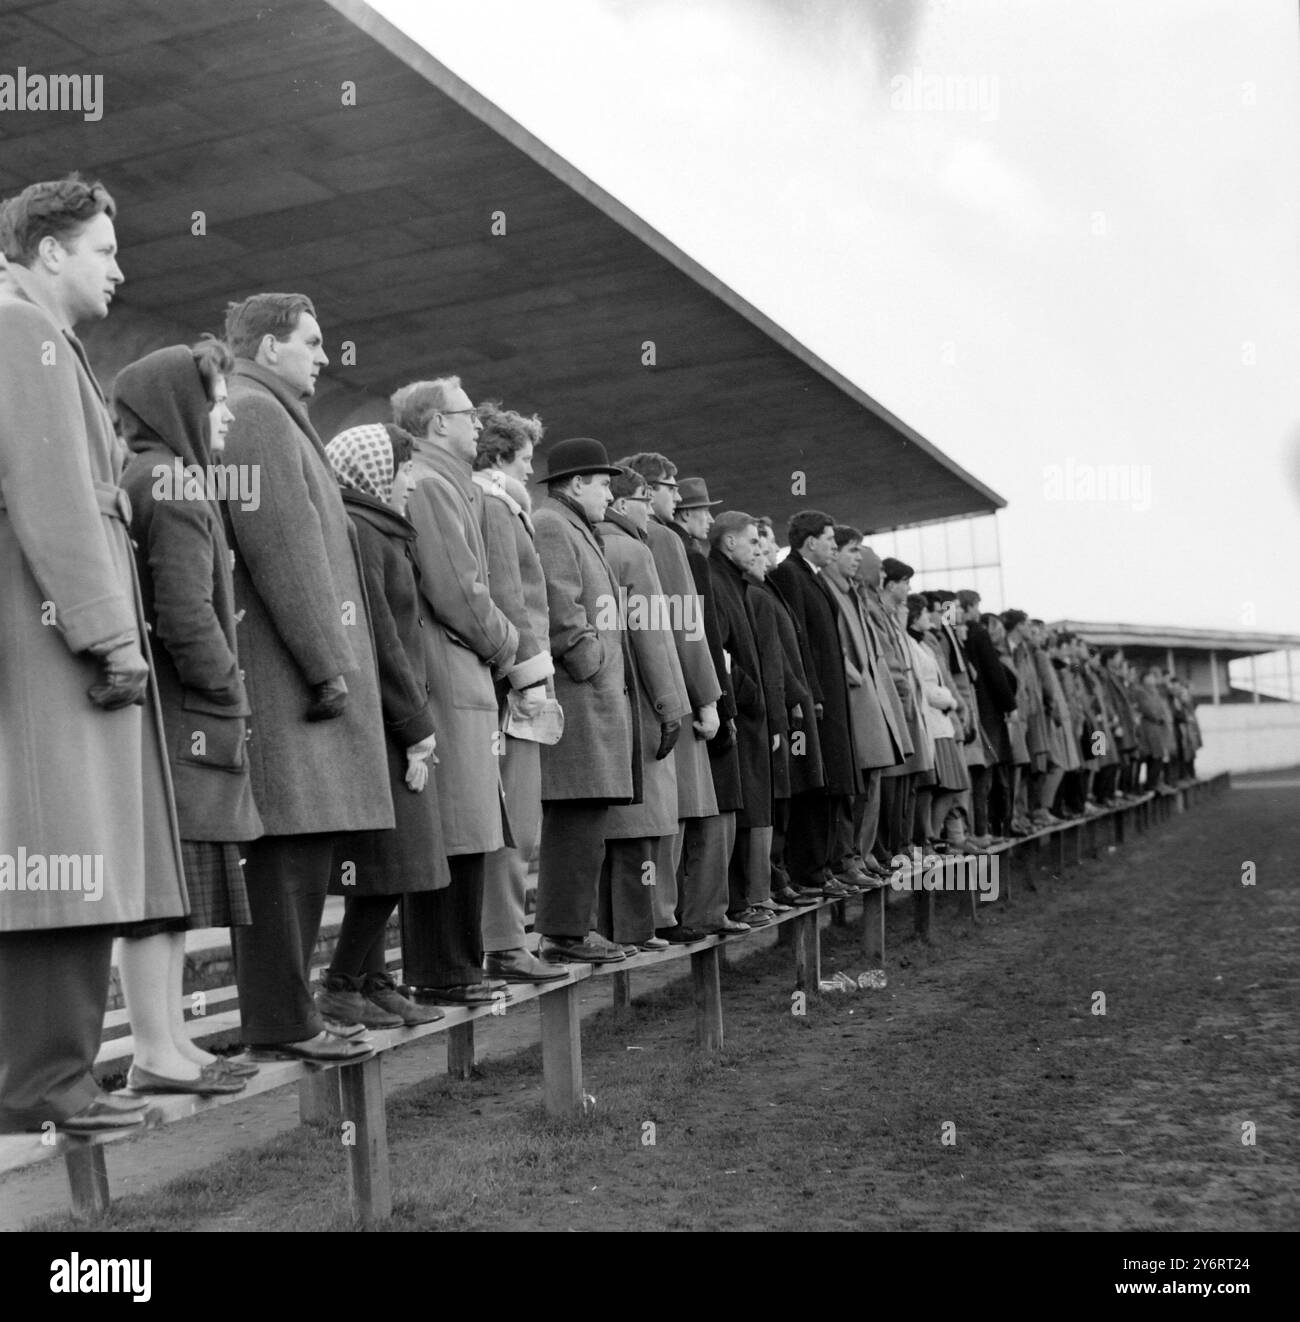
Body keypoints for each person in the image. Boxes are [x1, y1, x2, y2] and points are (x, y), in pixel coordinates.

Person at [0, 175, 185, 1133]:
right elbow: (54, 501)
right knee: (60, 852)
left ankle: (53, 1084)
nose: (120, 267)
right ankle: (42, 1090)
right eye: (105, 249)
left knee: (69, 854)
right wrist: (110, 634)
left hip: (49, 630)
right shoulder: (20, 330)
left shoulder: (36, 334)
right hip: (49, 637)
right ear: (50, 250)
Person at [221, 292, 392, 1062]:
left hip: (300, 675)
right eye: (313, 342)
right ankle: (283, 1024)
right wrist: (330, 667)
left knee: (302, 856)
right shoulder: (255, 414)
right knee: (285, 860)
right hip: (291, 678)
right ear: (266, 346)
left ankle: (291, 1019)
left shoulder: (271, 412)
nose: (326, 357)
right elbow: (282, 552)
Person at [115, 340, 266, 1093]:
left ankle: (168, 1043)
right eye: (211, 399)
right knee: (158, 892)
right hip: (183, 715)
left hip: (170, 715)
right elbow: (184, 613)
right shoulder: (172, 480)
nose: (222, 413)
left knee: (169, 892)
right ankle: (155, 1052)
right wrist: (229, 688)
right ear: (177, 404)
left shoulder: (151, 473)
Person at [392, 377, 537, 1004]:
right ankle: (445, 974)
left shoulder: (446, 483)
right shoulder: (431, 485)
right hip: (452, 677)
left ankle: (456, 969)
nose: (477, 423)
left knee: (473, 828)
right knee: (457, 830)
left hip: (462, 677)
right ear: (434, 424)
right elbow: (459, 589)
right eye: (465, 414)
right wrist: (509, 649)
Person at [316, 423, 452, 1027]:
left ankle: (372, 982)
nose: (411, 480)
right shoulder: (364, 531)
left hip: (389, 719)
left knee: (386, 862)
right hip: (387, 722)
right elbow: (384, 640)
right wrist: (417, 728)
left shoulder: (373, 526)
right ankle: (342, 983)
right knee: (394, 859)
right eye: (401, 469)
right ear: (373, 473)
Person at [532, 437, 637, 963]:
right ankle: (564, 933)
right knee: (576, 814)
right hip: (579, 696)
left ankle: (571, 929)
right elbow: (560, 606)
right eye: (602, 485)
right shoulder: (553, 523)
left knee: (587, 815)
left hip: (589, 697)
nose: (608, 496)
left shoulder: (570, 524)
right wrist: (590, 660)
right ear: (576, 484)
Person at [621, 454, 734, 941]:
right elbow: (689, 628)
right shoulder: (665, 540)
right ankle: (666, 917)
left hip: (643, 690)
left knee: (662, 811)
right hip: (676, 692)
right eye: (667, 486)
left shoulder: (640, 536)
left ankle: (660, 916)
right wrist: (709, 697)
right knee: (680, 808)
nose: (675, 496)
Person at [471, 405, 565, 982]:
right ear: (501, 457)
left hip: (508, 677)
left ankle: (505, 938)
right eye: (526, 458)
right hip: (513, 685)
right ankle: (504, 943)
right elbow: (510, 595)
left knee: (515, 821)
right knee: (514, 821)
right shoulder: (496, 506)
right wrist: (532, 679)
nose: (530, 471)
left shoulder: (497, 504)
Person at [595, 467, 688, 950]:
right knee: (642, 826)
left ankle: (605, 929)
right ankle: (637, 930)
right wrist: (671, 704)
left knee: (604, 829)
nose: (648, 510)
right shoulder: (634, 551)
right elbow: (653, 636)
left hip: (598, 700)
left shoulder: (589, 542)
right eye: (642, 500)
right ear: (621, 505)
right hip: (641, 702)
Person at [769, 512, 862, 897]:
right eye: (828, 539)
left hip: (827, 697)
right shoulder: (791, 573)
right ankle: (810, 870)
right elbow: (796, 639)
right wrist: (811, 696)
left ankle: (822, 867)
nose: (833, 546)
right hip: (815, 700)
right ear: (809, 542)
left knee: (831, 781)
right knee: (814, 784)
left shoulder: (814, 576)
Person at [707, 511, 776, 927]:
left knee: (746, 809)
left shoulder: (736, 584)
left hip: (747, 715)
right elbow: (721, 654)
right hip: (738, 716)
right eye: (753, 541)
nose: (760, 549)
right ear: (729, 543)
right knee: (737, 809)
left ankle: (743, 900)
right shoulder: (719, 584)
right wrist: (749, 695)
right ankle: (736, 902)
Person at [824, 527, 900, 882]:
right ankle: (850, 856)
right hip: (854, 698)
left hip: (868, 697)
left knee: (873, 777)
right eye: (851, 550)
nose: (856, 557)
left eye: (859, 552)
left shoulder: (852, 593)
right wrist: (850, 671)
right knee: (857, 780)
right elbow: (828, 641)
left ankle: (863, 852)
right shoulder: (830, 588)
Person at [956, 589, 1017, 845]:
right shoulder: (978, 633)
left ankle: (975, 830)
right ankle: (981, 830)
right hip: (986, 712)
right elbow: (995, 673)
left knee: (973, 774)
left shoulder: (959, 634)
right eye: (976, 607)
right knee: (985, 773)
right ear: (970, 607)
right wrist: (1009, 705)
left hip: (969, 709)